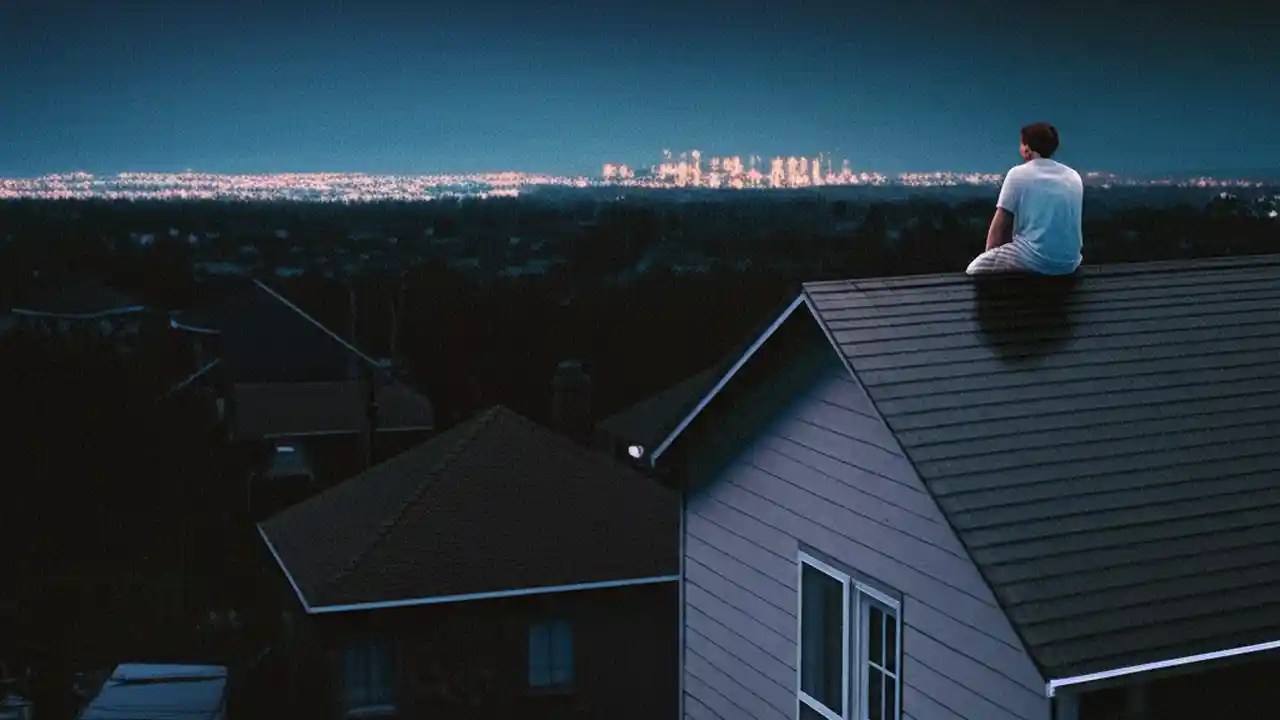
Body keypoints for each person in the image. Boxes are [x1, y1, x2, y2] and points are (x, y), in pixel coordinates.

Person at [966, 122, 1083, 275]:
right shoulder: (1073, 176)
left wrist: (990, 257)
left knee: (973, 268)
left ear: (1027, 150)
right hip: (1070, 262)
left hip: (1034, 257)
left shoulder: (1018, 174)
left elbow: (999, 225)